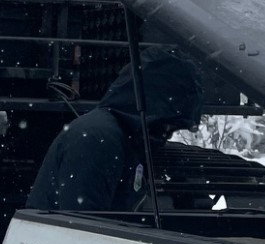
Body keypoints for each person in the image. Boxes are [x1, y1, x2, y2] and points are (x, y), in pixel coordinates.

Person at [27, 49, 203, 211]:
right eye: (169, 124)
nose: (168, 134)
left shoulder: (121, 135)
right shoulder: (99, 139)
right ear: (153, 108)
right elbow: (84, 225)